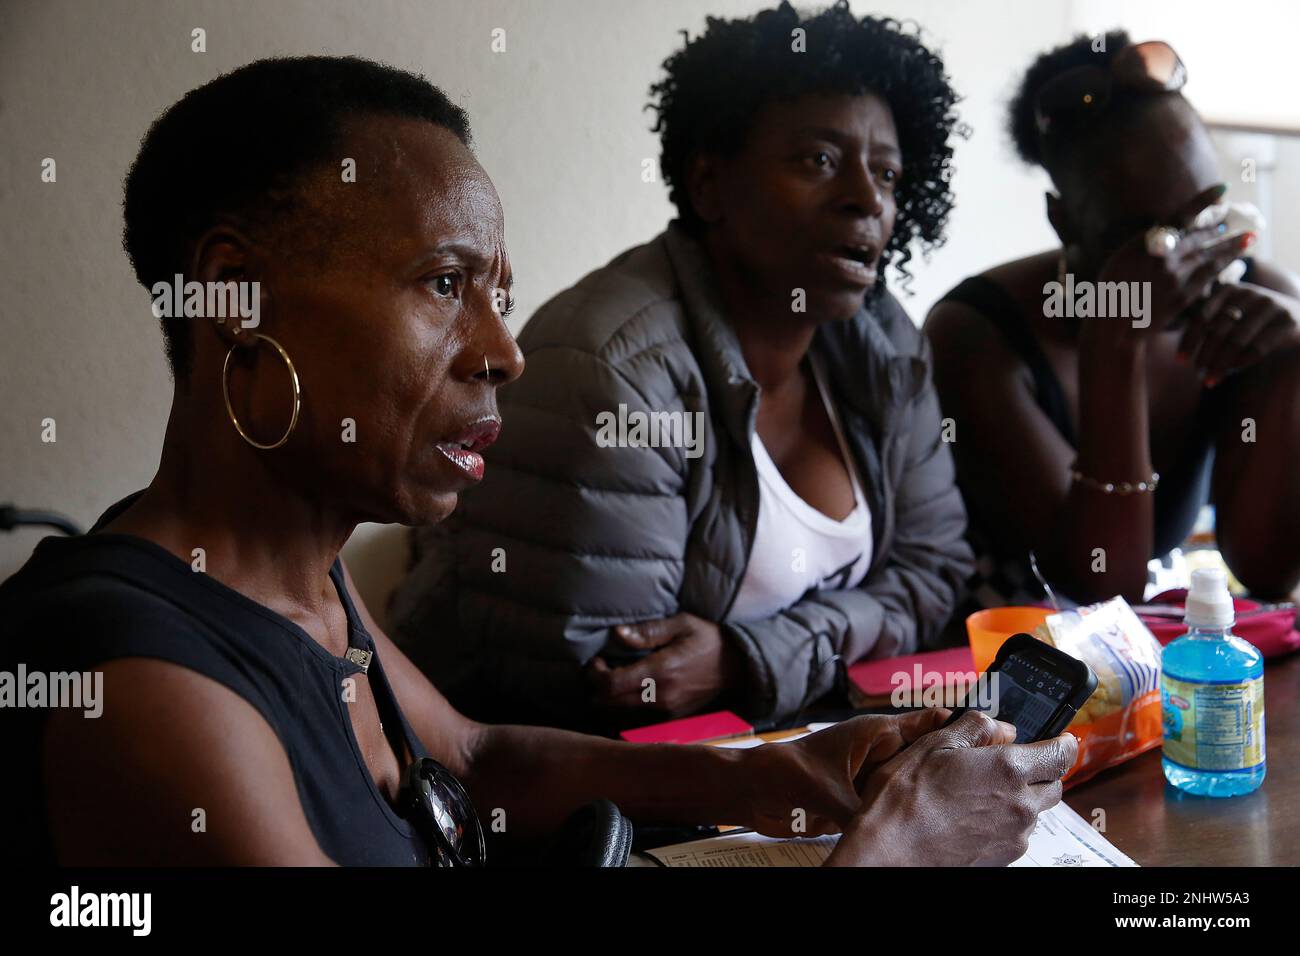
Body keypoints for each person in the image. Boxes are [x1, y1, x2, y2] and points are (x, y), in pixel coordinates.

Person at [0, 55, 1074, 866]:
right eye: (440, 283)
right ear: (232, 296)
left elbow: (472, 760)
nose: (502, 351)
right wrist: (896, 852)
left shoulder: (297, 584)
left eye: (494, 294)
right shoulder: (146, 687)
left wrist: (771, 775)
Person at [392, 1, 974, 732]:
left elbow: (935, 575)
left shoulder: (884, 344)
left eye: (887, 174)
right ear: (708, 185)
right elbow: (623, 690)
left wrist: (747, 659)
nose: (866, 198)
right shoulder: (610, 370)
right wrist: (833, 645)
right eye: (818, 161)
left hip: (785, 749)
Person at [925, 32, 1300, 609]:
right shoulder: (975, 335)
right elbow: (1098, 583)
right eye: (1148, 238)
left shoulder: (1253, 306)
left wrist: (1292, 364)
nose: (1185, 261)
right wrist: (1116, 343)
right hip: (999, 645)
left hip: (1150, 638)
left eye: (1206, 214)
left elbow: (1266, 569)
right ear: (1063, 222)